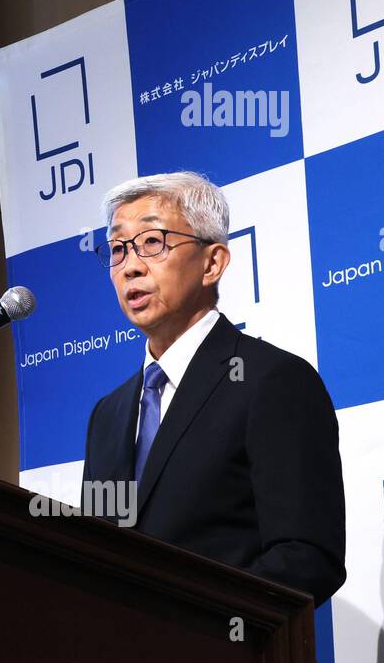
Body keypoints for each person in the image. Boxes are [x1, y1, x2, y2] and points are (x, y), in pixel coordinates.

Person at [81, 171, 346, 607]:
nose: (130, 265)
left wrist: (184, 631)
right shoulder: (107, 414)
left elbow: (305, 557)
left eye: (152, 242)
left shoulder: (272, 381)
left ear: (212, 263)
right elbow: (93, 559)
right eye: (117, 248)